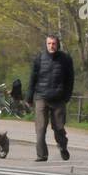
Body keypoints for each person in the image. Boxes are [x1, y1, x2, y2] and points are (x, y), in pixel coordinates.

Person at [28, 33, 75, 162]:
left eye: (53, 43)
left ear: (57, 44)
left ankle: (62, 146)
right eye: (49, 43)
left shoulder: (65, 59)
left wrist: (66, 96)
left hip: (58, 99)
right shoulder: (39, 58)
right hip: (41, 97)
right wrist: (29, 97)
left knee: (59, 128)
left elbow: (70, 80)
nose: (51, 46)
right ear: (46, 44)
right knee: (40, 129)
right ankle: (42, 155)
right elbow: (33, 78)